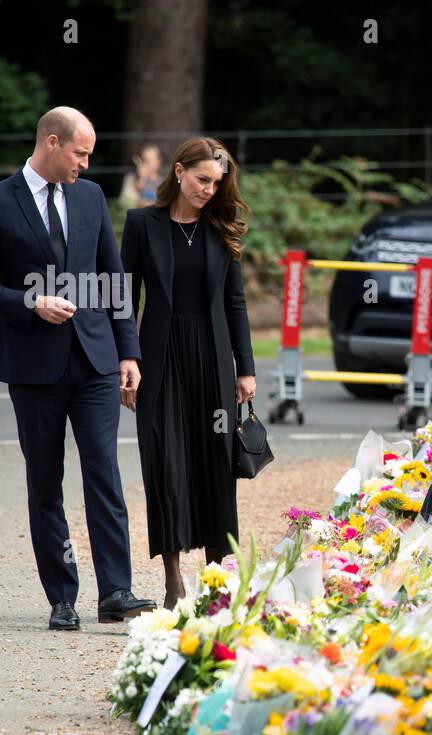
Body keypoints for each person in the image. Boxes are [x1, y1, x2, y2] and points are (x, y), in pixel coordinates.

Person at [0, 106, 156, 630]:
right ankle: (61, 597)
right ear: (51, 142)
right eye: (80, 152)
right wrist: (30, 302)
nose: (86, 164)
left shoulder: (89, 197)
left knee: (104, 476)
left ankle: (116, 590)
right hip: (33, 367)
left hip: (96, 363)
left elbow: (114, 277)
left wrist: (128, 352)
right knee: (45, 483)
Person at [121, 137, 256, 609]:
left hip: (214, 358)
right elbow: (125, 296)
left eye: (216, 183)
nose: (208, 190)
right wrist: (128, 357)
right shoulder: (141, 224)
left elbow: (235, 302)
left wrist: (246, 369)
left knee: (215, 466)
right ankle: (174, 580)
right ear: (178, 172)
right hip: (159, 356)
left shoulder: (222, 226)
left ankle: (218, 580)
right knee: (166, 464)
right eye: (202, 180)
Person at [119, 144, 162, 209]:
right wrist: (141, 177)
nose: (149, 164)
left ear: (158, 162)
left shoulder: (163, 182)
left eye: (152, 160)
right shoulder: (132, 179)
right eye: (146, 160)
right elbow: (126, 203)